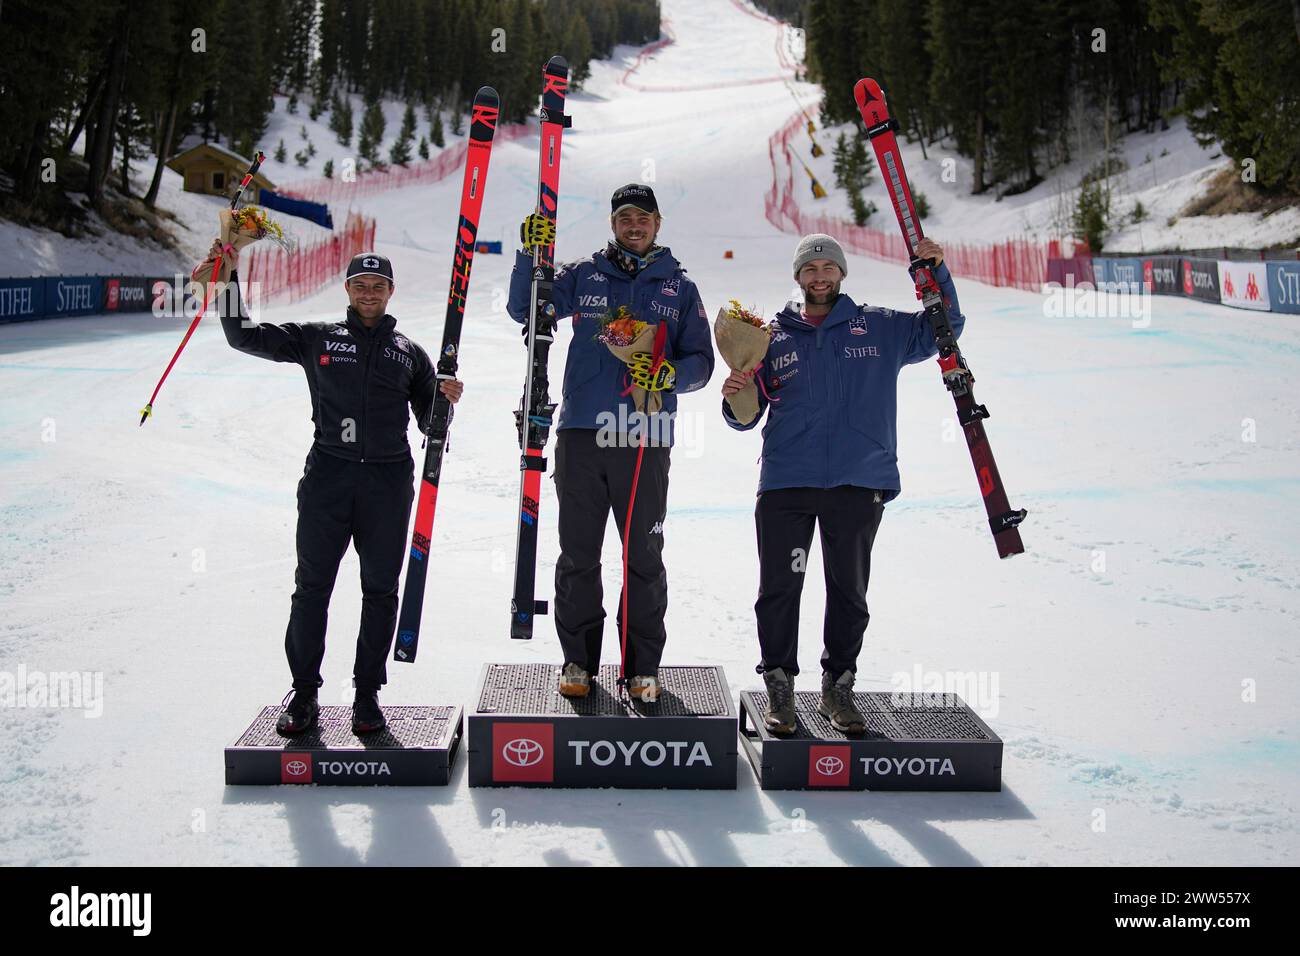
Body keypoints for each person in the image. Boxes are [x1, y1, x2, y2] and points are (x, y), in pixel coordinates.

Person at [721, 233, 965, 735]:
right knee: (780, 589)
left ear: (841, 273)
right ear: (797, 277)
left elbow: (944, 328)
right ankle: (781, 686)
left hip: (858, 479)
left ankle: (839, 686)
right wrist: (735, 397)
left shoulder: (877, 326)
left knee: (848, 589)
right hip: (788, 482)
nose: (819, 277)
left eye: (828, 268)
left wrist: (934, 273)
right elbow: (745, 419)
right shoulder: (772, 337)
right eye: (810, 270)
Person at [216, 246, 462, 736]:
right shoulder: (316, 339)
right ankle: (304, 693)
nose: (369, 293)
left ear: (390, 293)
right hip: (328, 477)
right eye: (360, 285)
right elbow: (242, 336)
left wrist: (444, 400)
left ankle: (367, 694)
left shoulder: (409, 353)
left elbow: (431, 427)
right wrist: (228, 277)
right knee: (311, 589)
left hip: (387, 484)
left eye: (378, 286)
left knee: (380, 591)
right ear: (347, 289)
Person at [507, 184, 715, 702]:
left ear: (658, 223)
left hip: (646, 435)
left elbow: (702, 365)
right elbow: (527, 312)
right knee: (579, 554)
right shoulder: (584, 275)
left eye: (643, 217)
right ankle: (578, 661)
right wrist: (529, 256)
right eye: (625, 217)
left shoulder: (679, 288)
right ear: (613, 223)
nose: (634, 226)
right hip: (582, 434)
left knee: (644, 555)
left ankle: (642, 667)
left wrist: (668, 373)